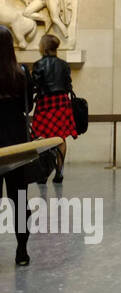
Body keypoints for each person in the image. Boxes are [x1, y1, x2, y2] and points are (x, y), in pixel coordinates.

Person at [0, 27, 40, 266]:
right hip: (17, 145)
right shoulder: (22, 73)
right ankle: (22, 251)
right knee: (19, 199)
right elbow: (28, 108)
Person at [29, 33, 76, 184]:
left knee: (40, 137)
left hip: (45, 103)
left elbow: (34, 86)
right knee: (60, 138)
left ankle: (43, 172)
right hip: (62, 102)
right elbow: (68, 84)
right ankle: (59, 172)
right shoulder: (64, 64)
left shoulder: (38, 65)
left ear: (43, 47)